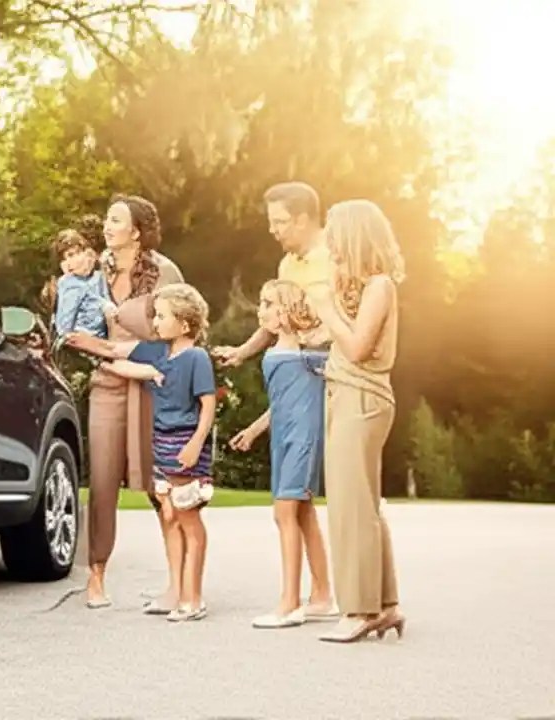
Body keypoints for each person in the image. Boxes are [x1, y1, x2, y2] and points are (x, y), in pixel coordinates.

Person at [62, 194, 184, 609]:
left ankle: (178, 583)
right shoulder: (92, 269)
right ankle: (96, 577)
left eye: (116, 220)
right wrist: (95, 347)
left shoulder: (165, 272)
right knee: (101, 481)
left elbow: (179, 333)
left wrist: (126, 352)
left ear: (136, 231)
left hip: (153, 383)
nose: (107, 227)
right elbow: (71, 323)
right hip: (108, 382)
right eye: (106, 220)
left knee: (160, 483)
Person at [303, 199, 406, 643]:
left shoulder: (380, 286)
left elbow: (359, 348)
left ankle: (359, 609)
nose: (328, 239)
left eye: (332, 230)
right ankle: (385, 605)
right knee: (365, 504)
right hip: (350, 396)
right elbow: (337, 339)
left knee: (351, 507)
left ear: (353, 234)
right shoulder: (365, 288)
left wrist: (327, 309)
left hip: (362, 399)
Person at [99, 283, 217, 622]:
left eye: (163, 316)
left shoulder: (196, 358)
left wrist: (196, 444)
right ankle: (180, 592)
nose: (155, 322)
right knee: (171, 516)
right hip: (162, 446)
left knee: (189, 521)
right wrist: (107, 361)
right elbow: (118, 364)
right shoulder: (160, 356)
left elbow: (207, 406)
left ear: (185, 324)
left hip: (184, 445)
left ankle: (193, 599)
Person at [228, 280, 337, 628]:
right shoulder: (276, 353)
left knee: (284, 513)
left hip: (303, 441)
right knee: (303, 514)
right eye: (261, 303)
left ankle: (289, 603)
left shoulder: (312, 357)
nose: (261, 310)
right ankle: (322, 598)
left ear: (288, 310)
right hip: (283, 439)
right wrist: (255, 430)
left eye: (269, 303)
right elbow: (281, 404)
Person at [213, 182, 332, 368]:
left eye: (279, 222)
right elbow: (276, 319)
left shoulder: (338, 256)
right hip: (302, 367)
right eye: (271, 222)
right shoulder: (287, 265)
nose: (272, 230)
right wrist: (242, 352)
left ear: (301, 220)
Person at [50, 229, 113, 344]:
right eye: (69, 255)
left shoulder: (99, 276)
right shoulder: (68, 283)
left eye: (79, 252)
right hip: (78, 344)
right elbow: (64, 328)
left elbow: (109, 305)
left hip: (104, 340)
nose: (77, 259)